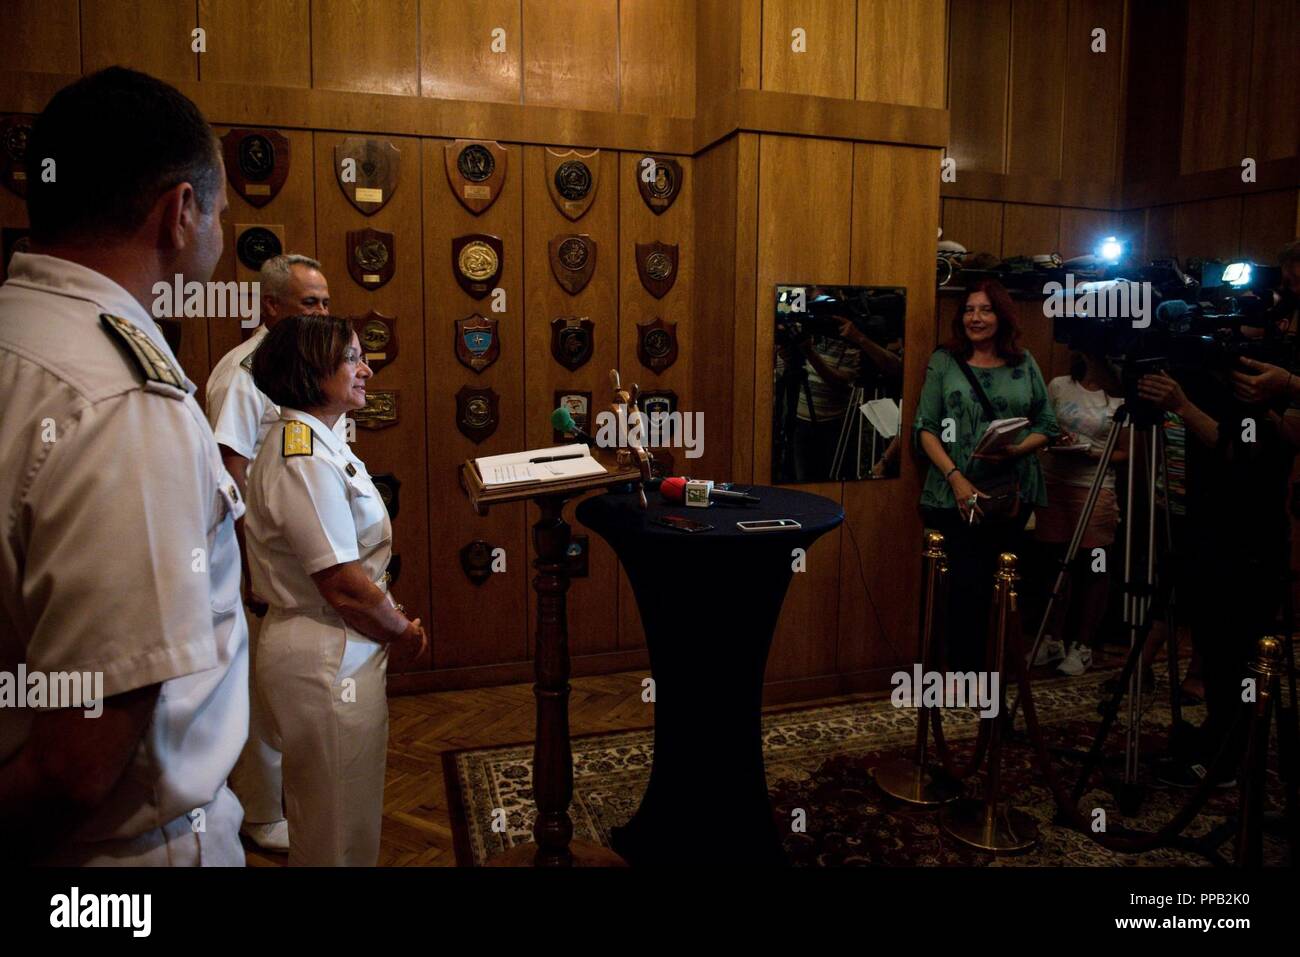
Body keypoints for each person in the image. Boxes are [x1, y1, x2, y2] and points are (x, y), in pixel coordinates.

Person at [0, 67, 247, 864]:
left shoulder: (19, 344)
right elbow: (80, 767)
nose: (219, 235)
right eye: (220, 212)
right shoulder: (121, 400)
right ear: (180, 212)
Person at [244, 314, 428, 866]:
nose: (366, 369)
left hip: (342, 645)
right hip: (326, 653)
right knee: (334, 823)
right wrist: (403, 630)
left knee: (345, 811)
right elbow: (341, 583)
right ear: (310, 369)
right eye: (352, 357)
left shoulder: (321, 443)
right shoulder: (302, 455)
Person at [1138, 272, 1296, 788]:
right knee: (1213, 642)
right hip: (1207, 526)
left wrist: (1182, 406)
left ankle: (1232, 755)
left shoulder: (1273, 384)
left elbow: (1237, 450)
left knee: (1236, 655)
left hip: (1249, 539)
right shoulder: (1225, 373)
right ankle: (1217, 737)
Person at [205, 253, 335, 853]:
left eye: (326, 302)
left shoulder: (303, 364)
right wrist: (247, 568)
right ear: (272, 307)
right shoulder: (244, 372)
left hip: (291, 555)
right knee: (259, 691)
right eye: (310, 303)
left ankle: (280, 796)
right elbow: (230, 472)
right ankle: (259, 810)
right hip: (260, 559)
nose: (322, 313)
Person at [913, 280, 1057, 670]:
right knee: (964, 587)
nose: (975, 318)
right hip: (954, 493)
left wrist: (1017, 448)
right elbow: (924, 427)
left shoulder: (1023, 361)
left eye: (985, 309)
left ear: (1002, 316)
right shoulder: (944, 360)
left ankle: (997, 671)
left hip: (1011, 491)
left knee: (1005, 585)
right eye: (969, 310)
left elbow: (1047, 422)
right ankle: (961, 674)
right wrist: (957, 478)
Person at [1034, 350, 1127, 675]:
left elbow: (1125, 453)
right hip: (1055, 484)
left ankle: (1084, 646)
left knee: (1094, 567)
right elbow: (1041, 428)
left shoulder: (1118, 396)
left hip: (1095, 488)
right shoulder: (1060, 385)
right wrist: (1056, 440)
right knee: (1056, 563)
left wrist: (1090, 451)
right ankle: (1052, 638)